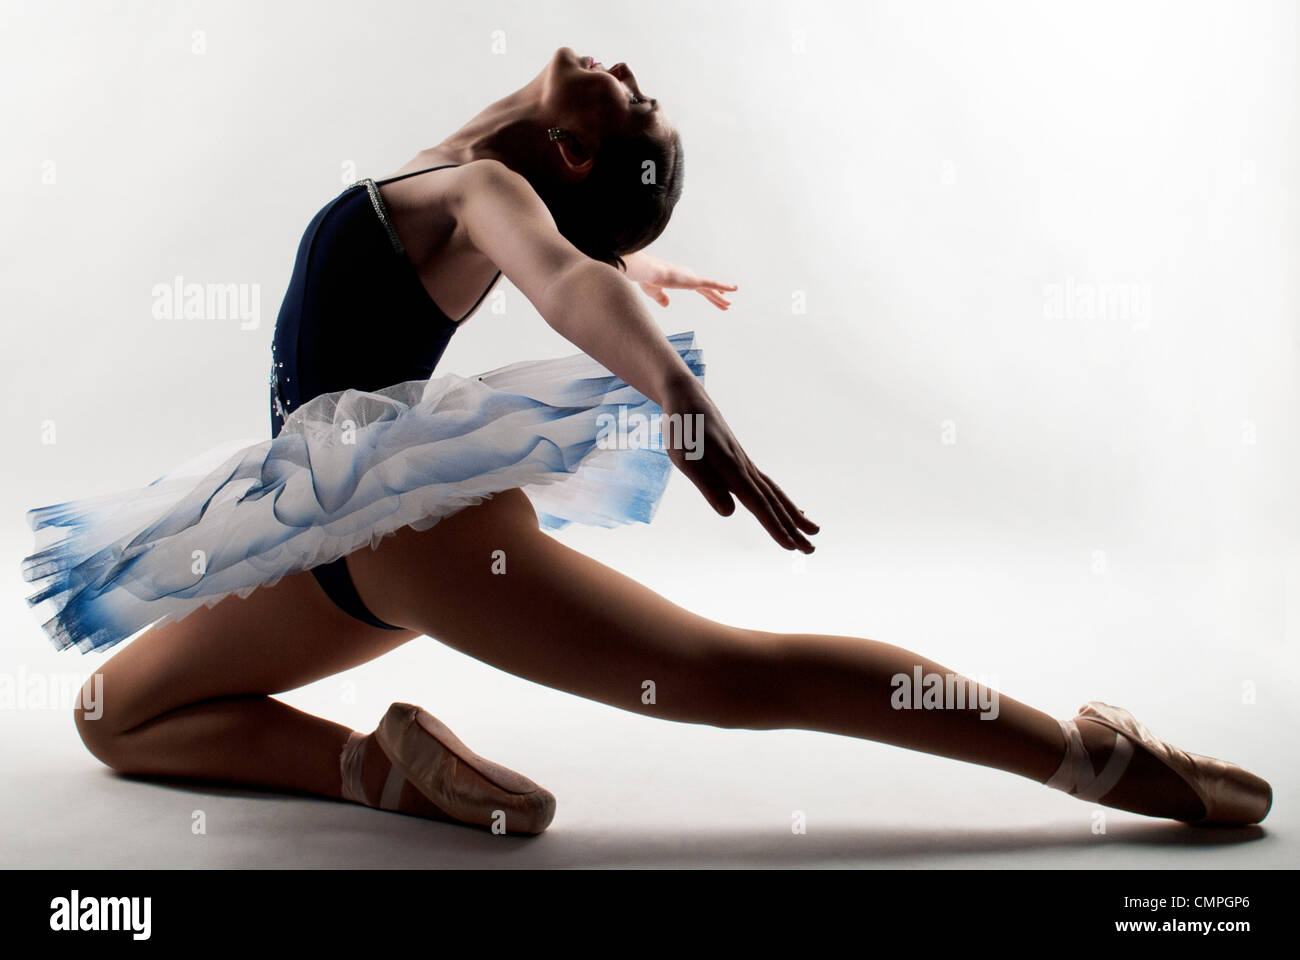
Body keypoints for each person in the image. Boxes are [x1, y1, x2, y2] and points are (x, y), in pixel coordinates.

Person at [22, 48, 1270, 835]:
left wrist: (677, 391)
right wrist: (636, 251)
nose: (631, 74)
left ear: (568, 155)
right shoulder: (468, 168)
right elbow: (575, 250)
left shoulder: (489, 195)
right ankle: (379, 775)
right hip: (316, 533)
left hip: (403, 531)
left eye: (634, 110)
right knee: (111, 718)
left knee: (733, 673)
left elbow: (564, 277)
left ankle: (1092, 760)